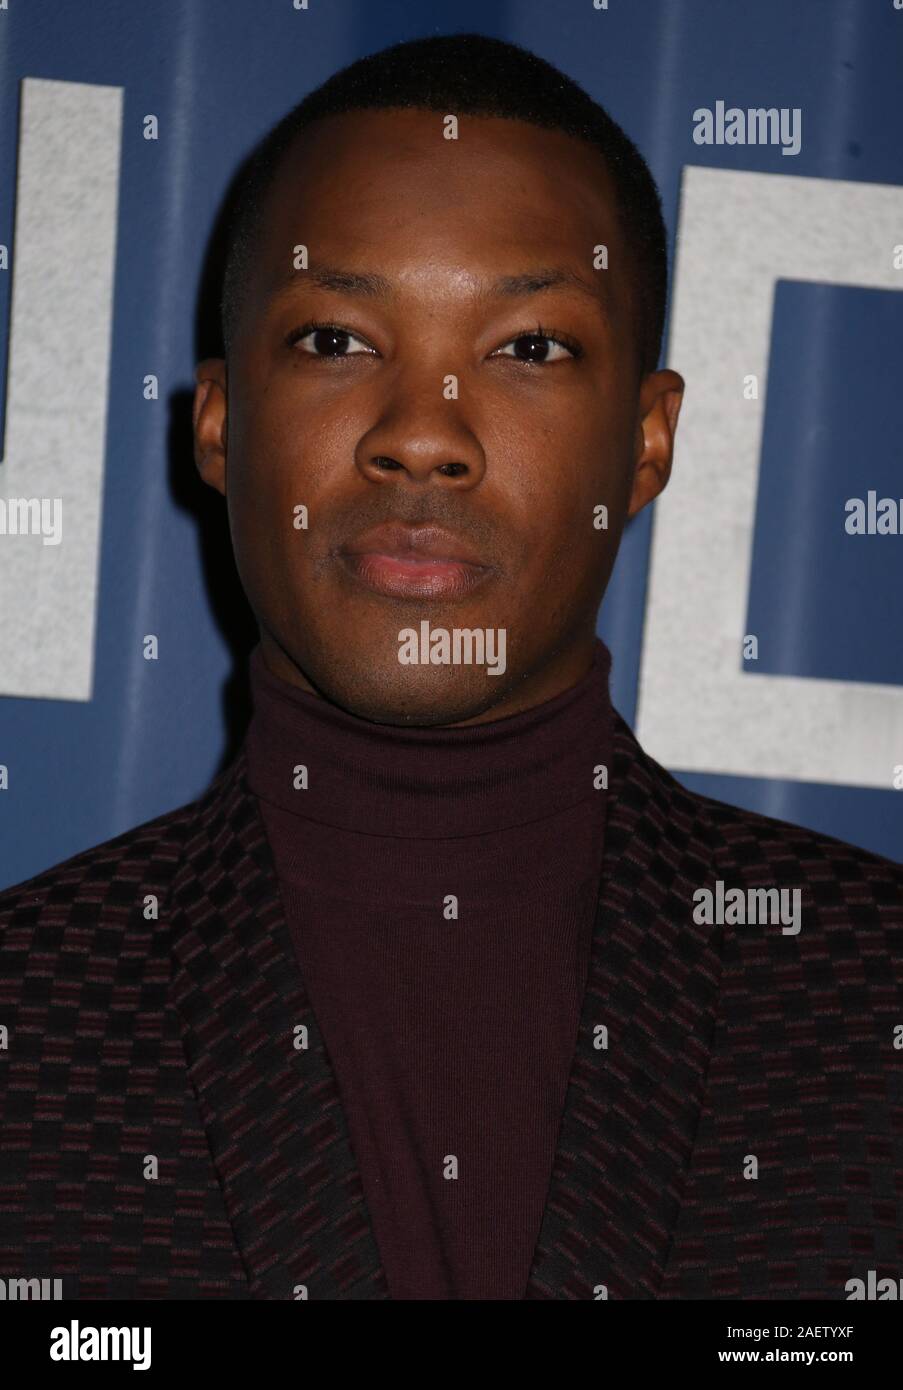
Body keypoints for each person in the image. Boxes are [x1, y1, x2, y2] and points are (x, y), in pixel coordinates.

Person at [1, 32, 900, 1302]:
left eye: (528, 347)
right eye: (336, 340)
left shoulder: (872, 995)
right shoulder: (27, 1016)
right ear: (217, 424)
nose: (423, 434)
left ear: (647, 442)